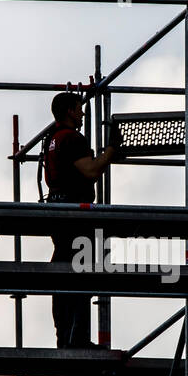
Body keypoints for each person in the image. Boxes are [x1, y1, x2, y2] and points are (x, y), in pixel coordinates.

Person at [44, 91, 117, 348]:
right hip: (74, 215)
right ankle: (77, 339)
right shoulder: (72, 138)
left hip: (58, 211)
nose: (83, 113)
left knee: (64, 271)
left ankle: (65, 336)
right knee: (80, 272)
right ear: (69, 112)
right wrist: (111, 151)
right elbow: (91, 170)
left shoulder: (52, 139)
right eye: (79, 108)